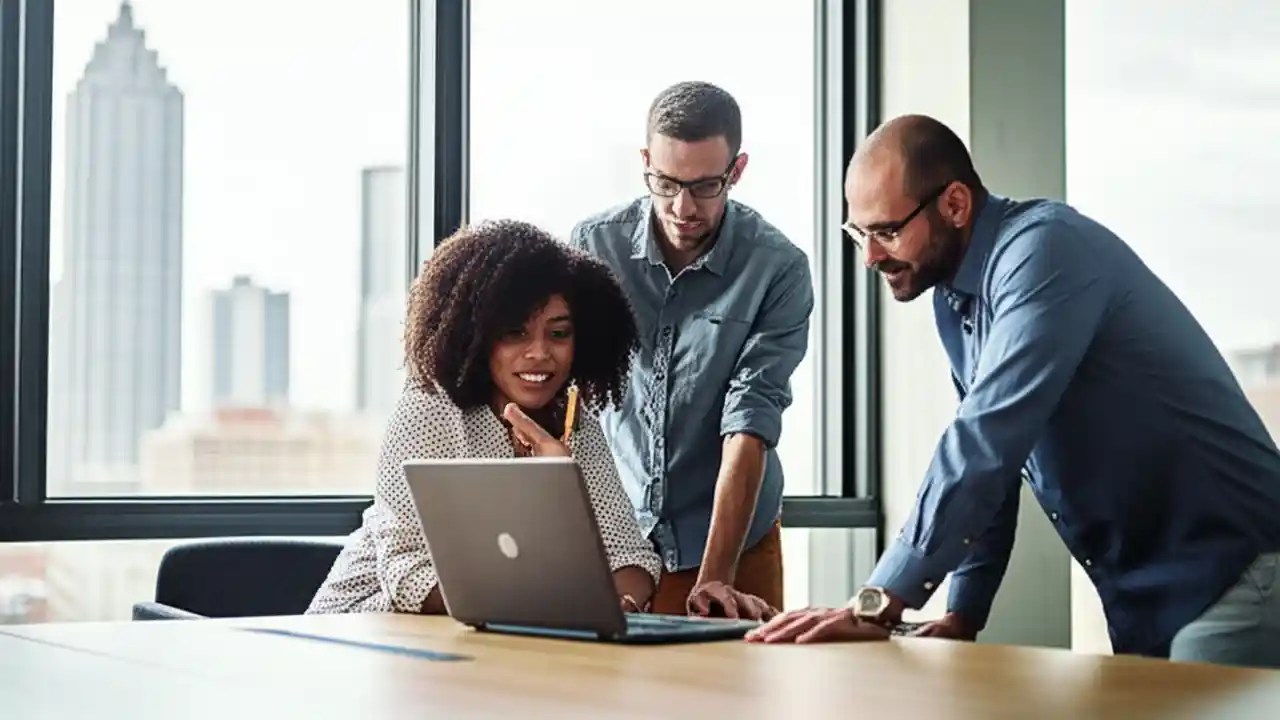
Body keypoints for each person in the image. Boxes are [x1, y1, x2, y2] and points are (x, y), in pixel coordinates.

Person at [748, 114, 1280, 668]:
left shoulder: (1045, 252)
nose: (871, 257)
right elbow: (997, 473)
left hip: (1237, 571)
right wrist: (963, 614)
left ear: (955, 205)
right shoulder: (956, 301)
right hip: (1144, 595)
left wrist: (877, 604)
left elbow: (984, 440)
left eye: (886, 231)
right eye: (859, 234)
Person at [307, 219, 662, 615]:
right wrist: (548, 603)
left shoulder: (575, 423)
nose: (540, 353)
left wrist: (617, 604)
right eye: (515, 333)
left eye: (559, 334)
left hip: (501, 642)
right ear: (475, 335)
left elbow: (630, 555)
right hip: (365, 628)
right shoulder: (430, 408)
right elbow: (407, 574)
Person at [571, 81, 814, 620]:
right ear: (645, 161)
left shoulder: (778, 268)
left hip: (734, 545)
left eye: (706, 186)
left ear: (737, 170)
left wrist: (715, 579)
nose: (683, 208)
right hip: (622, 543)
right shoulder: (593, 248)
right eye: (665, 182)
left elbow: (750, 421)